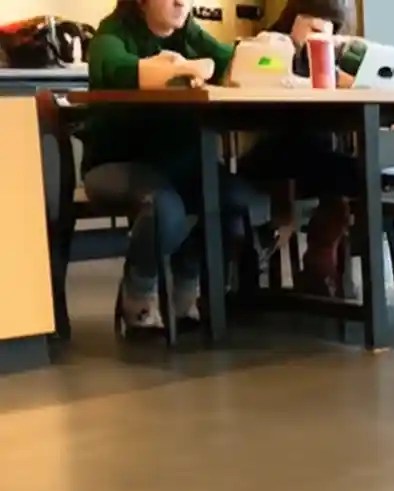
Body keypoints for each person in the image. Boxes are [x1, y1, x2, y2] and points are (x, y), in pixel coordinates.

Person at [82, 0, 262, 332]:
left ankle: (187, 290)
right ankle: (139, 291)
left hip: (182, 165)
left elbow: (232, 63)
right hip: (119, 162)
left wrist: (242, 56)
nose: (182, 2)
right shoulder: (112, 34)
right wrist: (183, 68)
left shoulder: (188, 33)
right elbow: (115, 68)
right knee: (165, 207)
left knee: (235, 199)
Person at [235, 0, 361, 296]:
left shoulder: (333, 53)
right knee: (341, 171)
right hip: (271, 153)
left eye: (328, 27)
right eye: (312, 23)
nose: (320, 32)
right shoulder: (268, 44)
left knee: (352, 173)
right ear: (294, 19)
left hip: (313, 154)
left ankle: (318, 255)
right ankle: (287, 243)